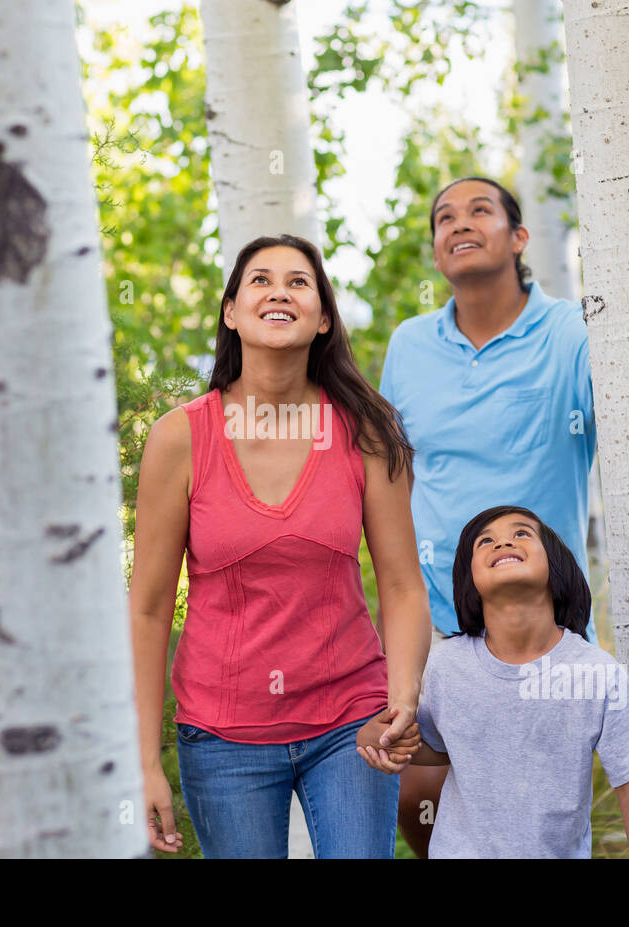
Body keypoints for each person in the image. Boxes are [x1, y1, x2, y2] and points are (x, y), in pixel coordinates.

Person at [128, 233, 431, 858]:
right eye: (260, 280)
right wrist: (143, 761)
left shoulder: (366, 432)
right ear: (230, 312)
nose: (279, 292)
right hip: (223, 734)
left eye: (299, 282)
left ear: (323, 319)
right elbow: (149, 608)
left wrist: (401, 702)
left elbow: (402, 586)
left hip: (350, 721)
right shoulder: (179, 438)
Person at [377, 175, 599, 856]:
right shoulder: (410, 346)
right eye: (444, 217)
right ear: (438, 253)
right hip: (435, 618)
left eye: (479, 210)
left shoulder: (572, 331)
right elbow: (389, 473)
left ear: (519, 237)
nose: (459, 223)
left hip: (536, 619)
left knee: (532, 816)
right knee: (417, 799)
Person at [359, 506, 629, 858]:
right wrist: (380, 737)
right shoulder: (446, 665)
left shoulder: (597, 672)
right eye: (485, 541)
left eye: (522, 533)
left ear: (557, 567)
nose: (503, 541)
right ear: (469, 580)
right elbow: (431, 745)